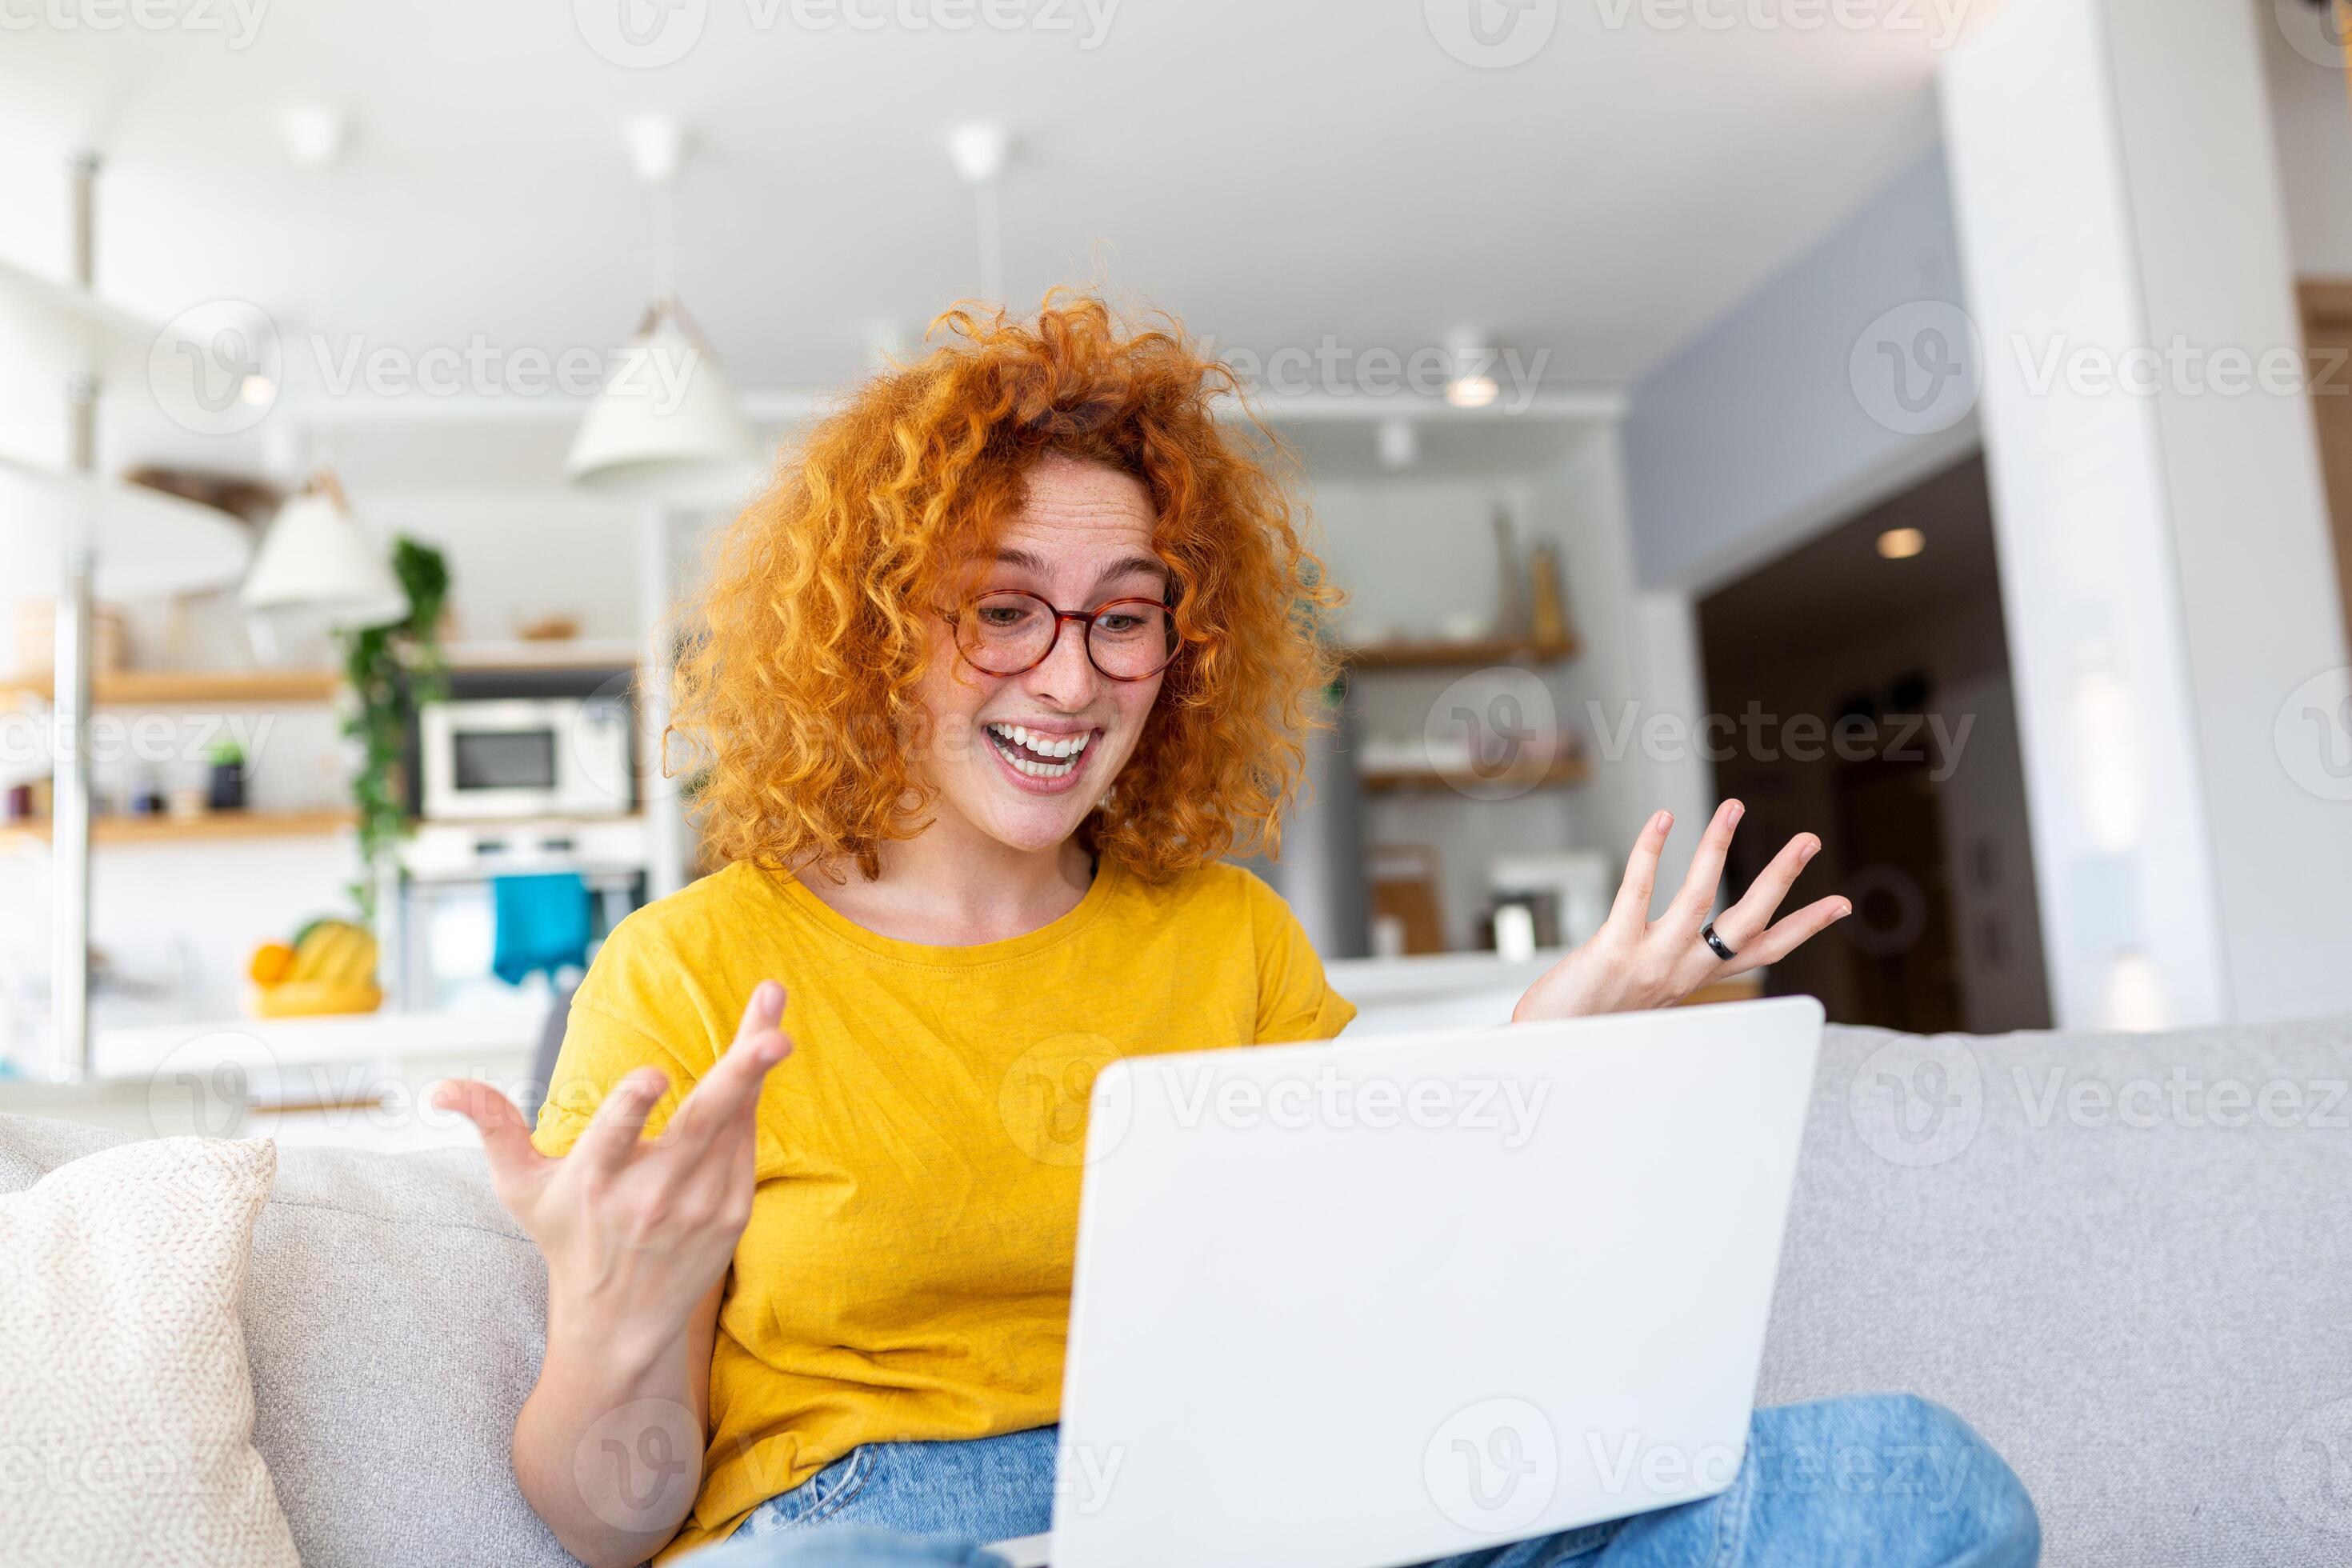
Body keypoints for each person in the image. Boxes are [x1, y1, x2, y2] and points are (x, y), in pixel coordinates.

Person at [434, 296, 2038, 1568]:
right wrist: (615, 1309)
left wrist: (1545, 1065)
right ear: (878, 638)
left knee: (1918, 1484)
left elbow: (1371, 1268)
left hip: (1258, 1506)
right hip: (880, 1523)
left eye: (1124, 614)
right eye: (1001, 606)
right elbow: (603, 1517)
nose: (1069, 677)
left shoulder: (1226, 933)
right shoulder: (687, 966)